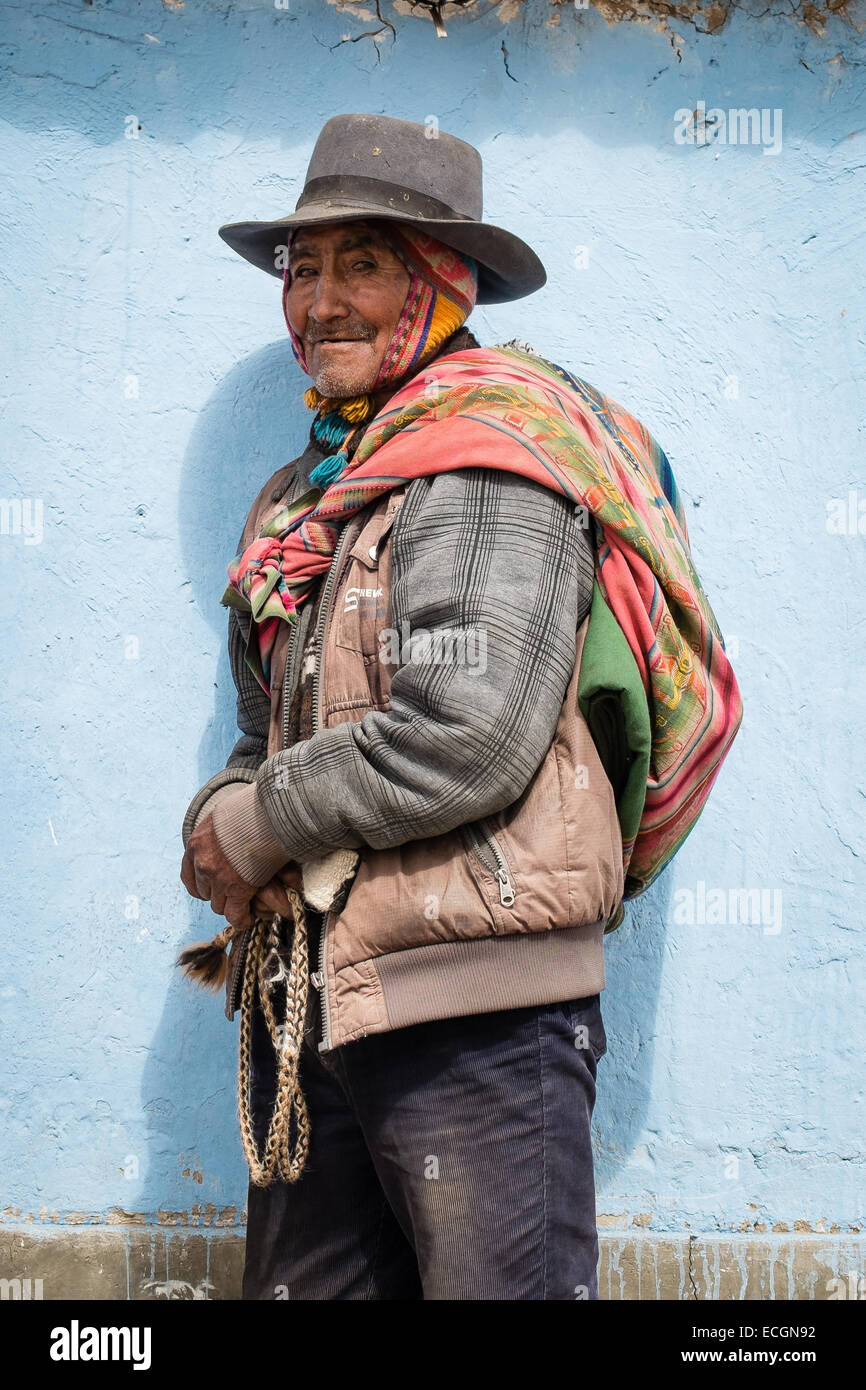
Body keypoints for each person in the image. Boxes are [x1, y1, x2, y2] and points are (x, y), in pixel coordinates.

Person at [179, 113, 742, 1301]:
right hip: (321, 999)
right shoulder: (309, 494)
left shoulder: (482, 463)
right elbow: (269, 729)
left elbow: (463, 734)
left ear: (437, 283)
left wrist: (253, 823)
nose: (317, 301)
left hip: (471, 1019)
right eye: (302, 268)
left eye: (360, 264)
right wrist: (232, 798)